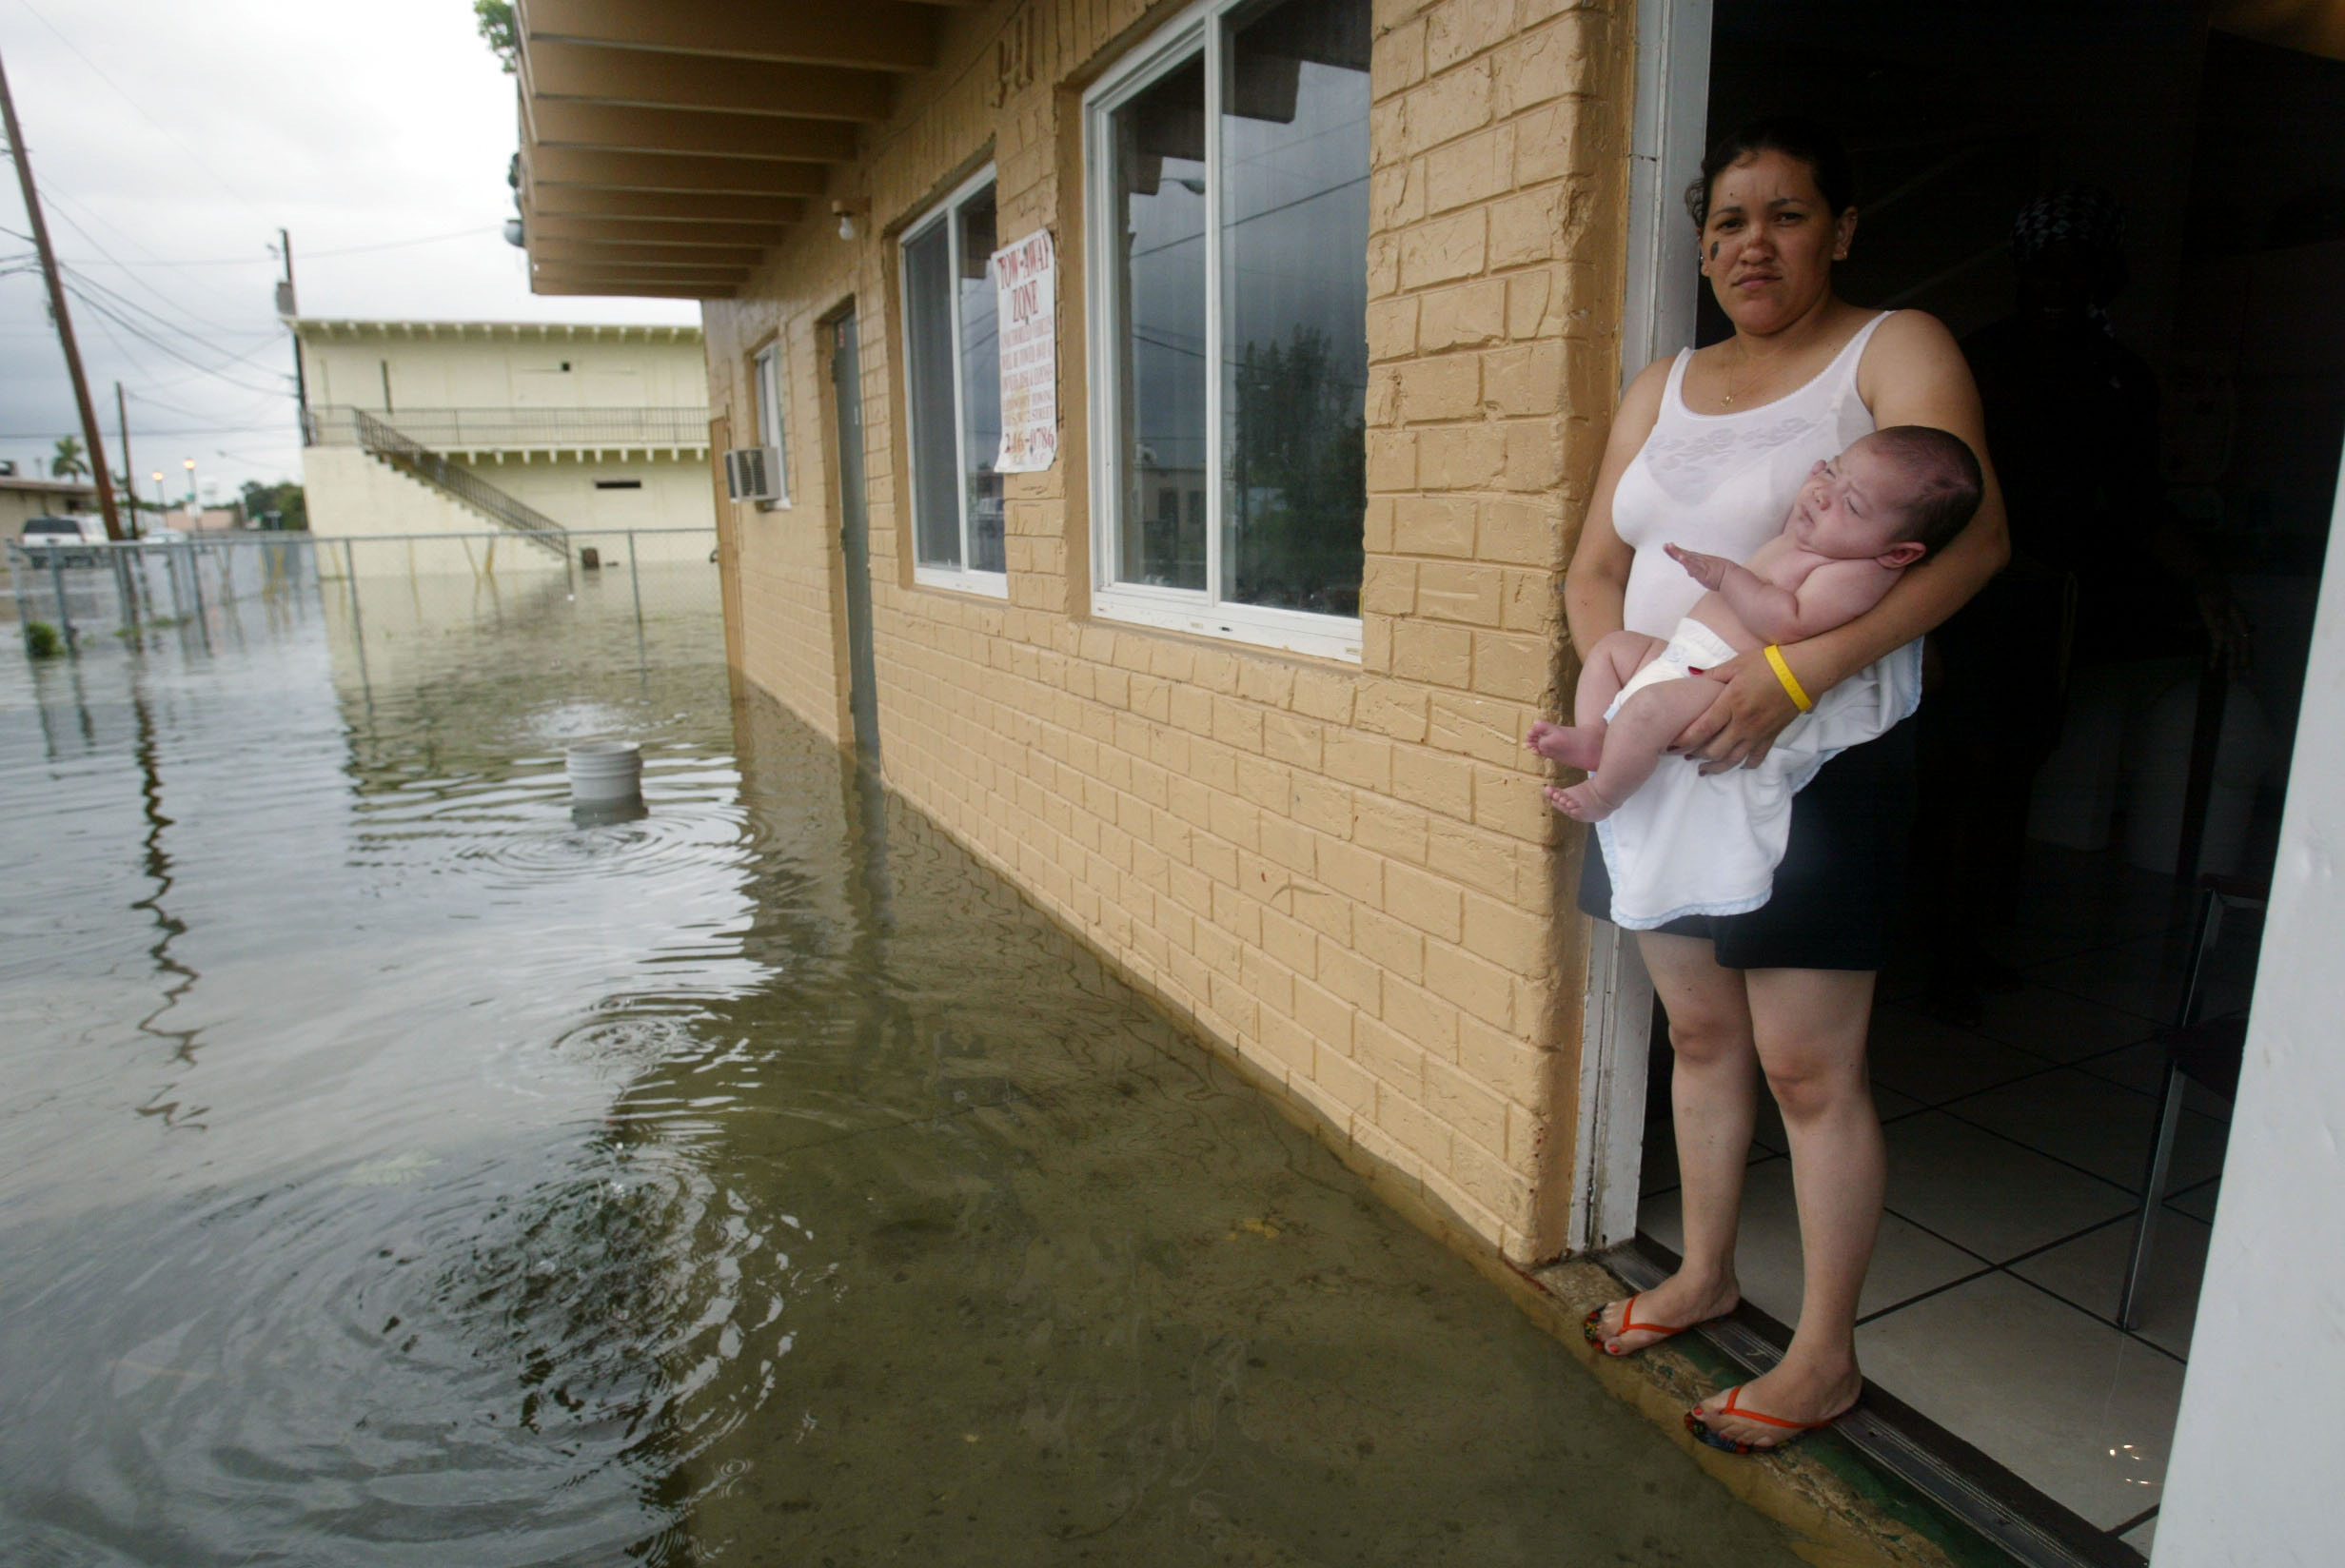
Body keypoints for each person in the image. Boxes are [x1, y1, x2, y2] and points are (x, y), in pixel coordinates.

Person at [1563, 117, 2008, 1455]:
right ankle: (1702, 1273)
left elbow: (1972, 544)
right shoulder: (1665, 383)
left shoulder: (1896, 350)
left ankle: (1822, 1359)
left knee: (1810, 1069)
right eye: (1725, 225)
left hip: (1809, 757)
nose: (1751, 244)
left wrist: (1794, 681)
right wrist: (1627, 683)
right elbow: (1594, 567)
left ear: (1843, 227)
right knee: (1696, 1036)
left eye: (1786, 215)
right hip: (1662, 755)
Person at [1530, 426, 1981, 824]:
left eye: (1854, 505)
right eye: (1831, 471)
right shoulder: (1819, 535)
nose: (1822, 494)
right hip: (1682, 650)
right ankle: (1594, 735)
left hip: (1721, 676)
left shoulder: (1856, 573)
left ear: (1899, 553)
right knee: (1611, 649)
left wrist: (1729, 577)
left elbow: (1790, 623)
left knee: (1646, 710)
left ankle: (1604, 793)